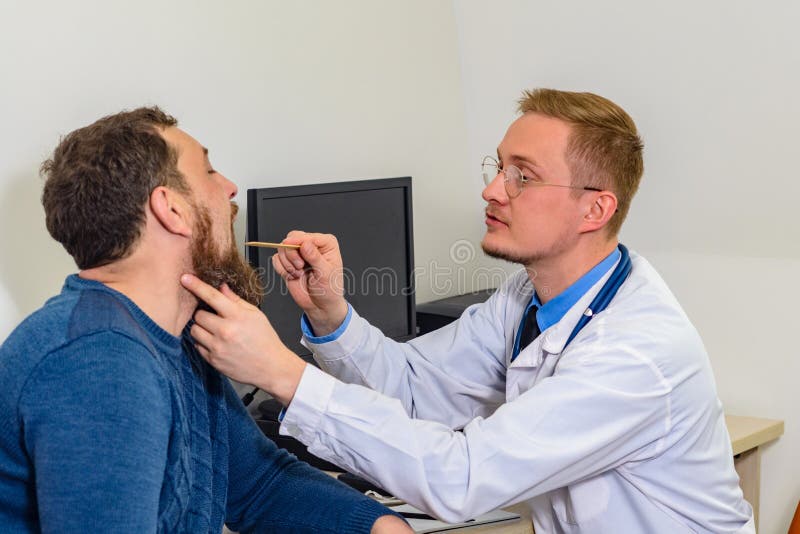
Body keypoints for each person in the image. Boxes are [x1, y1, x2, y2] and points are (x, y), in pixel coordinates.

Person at [179, 89, 755, 533]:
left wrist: (278, 371)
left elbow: (464, 478)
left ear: (595, 209)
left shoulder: (636, 354)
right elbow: (411, 387)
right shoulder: (525, 297)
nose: (492, 191)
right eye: (498, 167)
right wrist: (331, 315)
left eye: (521, 177)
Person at [0, 107, 410, 534]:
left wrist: (379, 525)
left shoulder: (179, 339)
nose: (230, 188)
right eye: (210, 172)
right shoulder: (97, 361)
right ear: (170, 210)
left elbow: (258, 486)